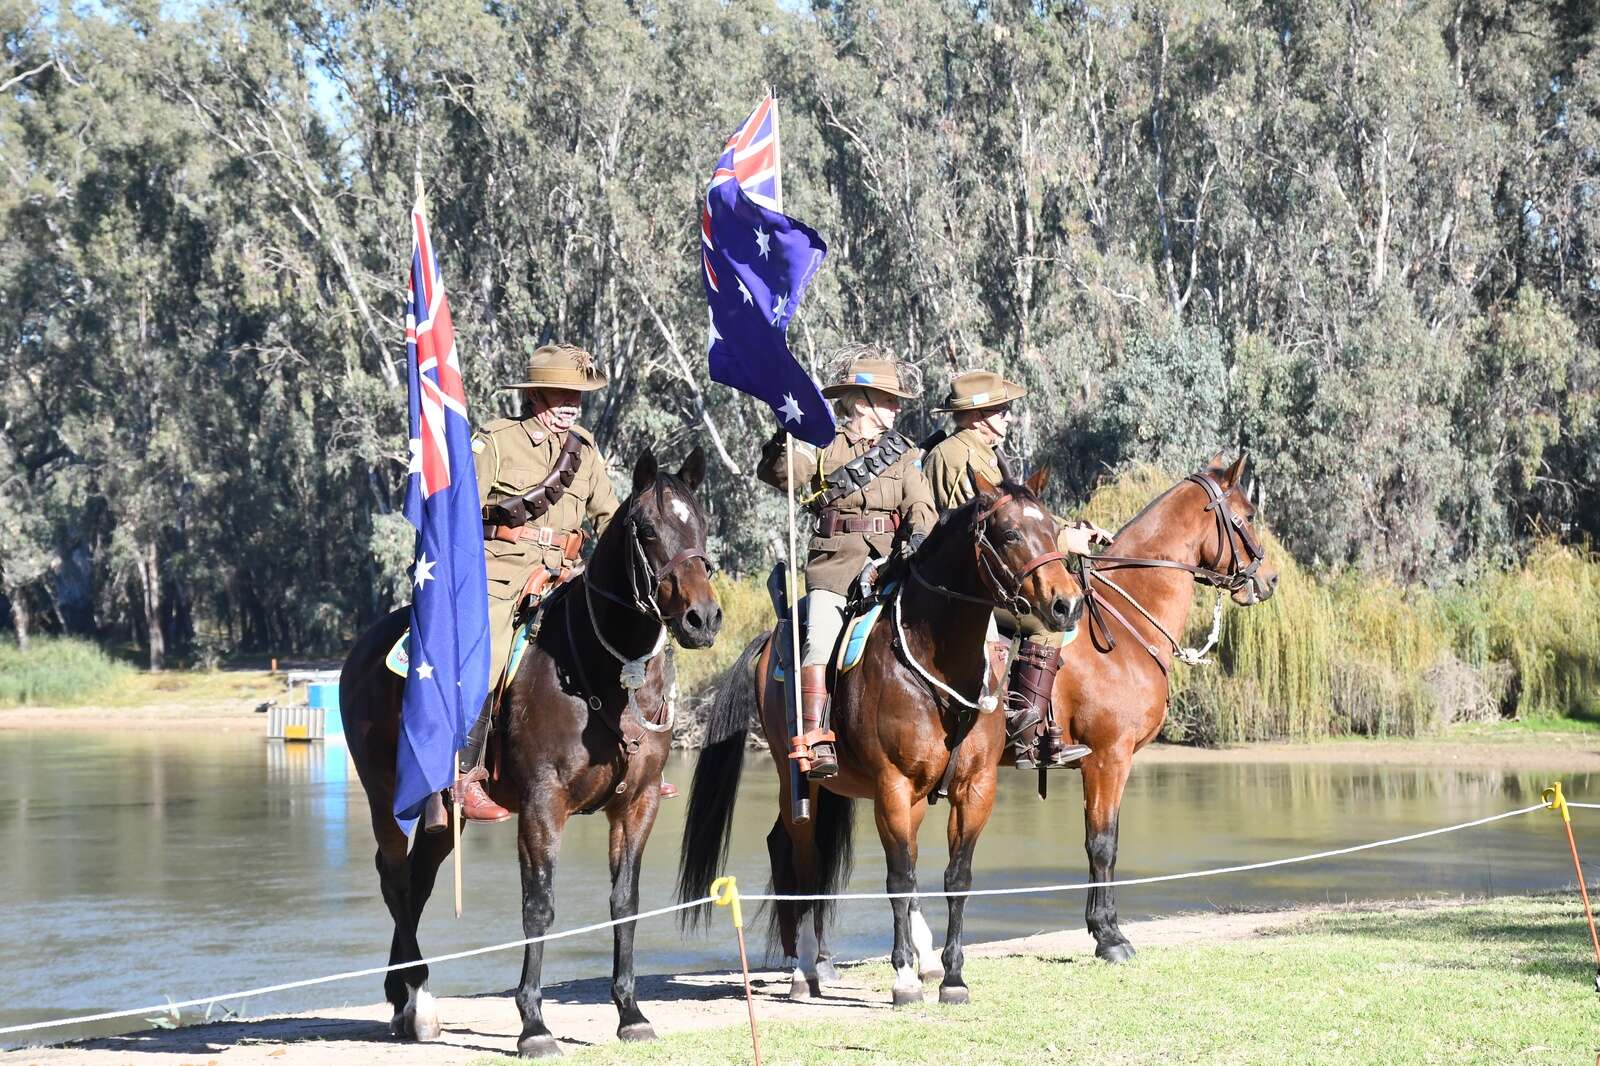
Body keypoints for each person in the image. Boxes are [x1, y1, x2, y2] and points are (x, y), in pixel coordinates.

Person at [458, 343, 622, 821]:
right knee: (486, 656)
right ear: (535, 397)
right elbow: (457, 511)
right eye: (563, 395)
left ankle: (632, 759)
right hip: (502, 570)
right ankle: (464, 773)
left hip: (567, 573)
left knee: (623, 639)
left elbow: (609, 518)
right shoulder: (497, 441)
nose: (573, 405)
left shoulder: (584, 451)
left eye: (579, 397)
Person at [757, 346, 937, 780]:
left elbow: (922, 508)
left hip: (891, 567)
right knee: (819, 635)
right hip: (836, 565)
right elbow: (783, 475)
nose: (896, 408)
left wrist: (915, 543)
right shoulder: (821, 444)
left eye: (897, 401)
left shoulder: (904, 454)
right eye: (889, 399)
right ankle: (815, 737)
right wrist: (784, 440)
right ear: (860, 402)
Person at [923, 368, 1111, 770]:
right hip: (970, 583)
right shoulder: (961, 456)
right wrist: (1064, 542)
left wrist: (1069, 531)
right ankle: (1026, 734)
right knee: (1047, 623)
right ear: (978, 415)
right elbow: (995, 529)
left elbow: (1022, 521)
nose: (1008, 416)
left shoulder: (982, 453)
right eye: (1002, 409)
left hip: (985, 576)